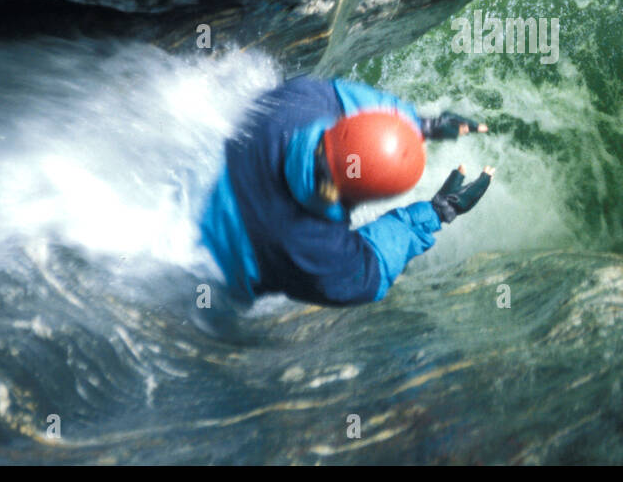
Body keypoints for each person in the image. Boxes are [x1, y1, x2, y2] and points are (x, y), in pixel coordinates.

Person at [196, 75, 493, 312]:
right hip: (211, 278)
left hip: (195, 184)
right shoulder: (316, 250)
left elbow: (347, 100)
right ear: (365, 199)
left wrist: (416, 126)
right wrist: (437, 212)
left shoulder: (299, 100)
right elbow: (368, 272)